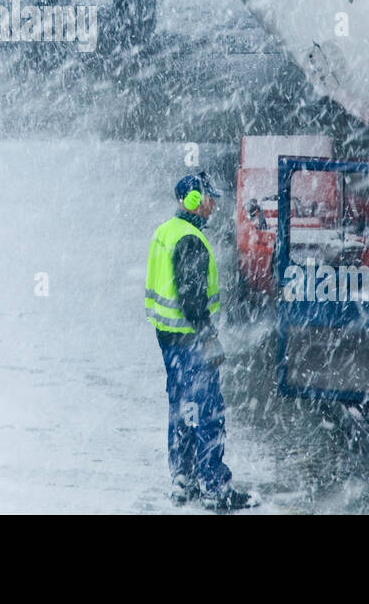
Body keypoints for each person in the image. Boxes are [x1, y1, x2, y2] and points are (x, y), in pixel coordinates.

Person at [145, 171, 250, 510]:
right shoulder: (190, 240)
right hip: (191, 339)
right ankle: (214, 488)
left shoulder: (166, 232)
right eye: (209, 197)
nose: (214, 204)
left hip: (169, 338)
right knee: (207, 411)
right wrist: (208, 339)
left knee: (182, 408)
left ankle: (183, 477)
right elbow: (192, 299)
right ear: (193, 200)